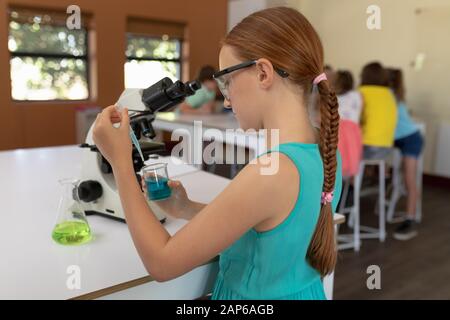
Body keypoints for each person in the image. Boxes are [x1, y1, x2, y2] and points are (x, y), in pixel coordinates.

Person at [92, 6, 342, 300]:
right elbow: (260, 223)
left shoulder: (272, 172)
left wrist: (119, 161)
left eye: (228, 81)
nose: (225, 100)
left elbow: (161, 263)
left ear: (263, 73)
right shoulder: (322, 149)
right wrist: (186, 208)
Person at [387, 68, 424, 241]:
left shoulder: (390, 97)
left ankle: (409, 219)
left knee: (410, 180)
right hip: (400, 140)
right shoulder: (394, 96)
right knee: (402, 177)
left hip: (411, 140)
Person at [359, 62, 397, 160]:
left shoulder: (361, 92)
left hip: (366, 147)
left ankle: (344, 175)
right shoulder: (390, 94)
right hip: (386, 148)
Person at [335, 70, 363, 177]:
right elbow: (359, 113)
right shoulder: (357, 95)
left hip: (337, 129)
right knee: (351, 157)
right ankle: (349, 187)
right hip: (353, 131)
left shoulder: (331, 95)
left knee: (336, 161)